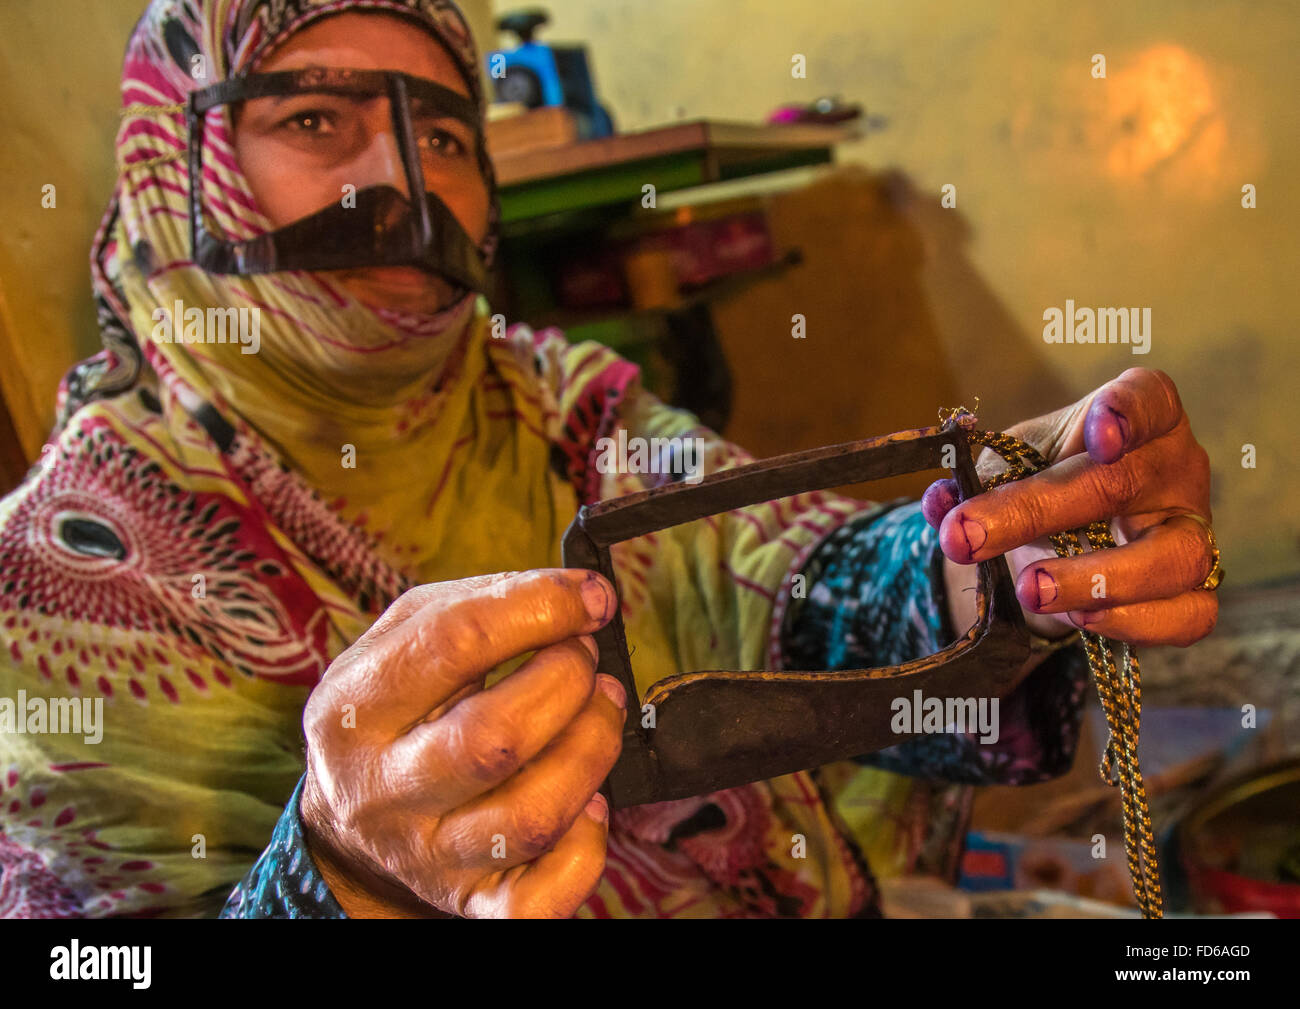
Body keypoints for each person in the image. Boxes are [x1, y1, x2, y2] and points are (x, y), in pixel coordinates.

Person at [0, 0, 1217, 920]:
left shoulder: (552, 402)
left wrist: (991, 559)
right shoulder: (60, 591)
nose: (401, 184)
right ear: (176, 166)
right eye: (314, 119)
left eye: (441, 131)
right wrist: (337, 879)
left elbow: (782, 584)